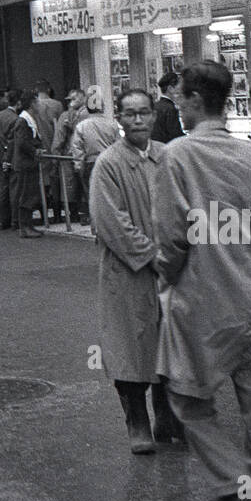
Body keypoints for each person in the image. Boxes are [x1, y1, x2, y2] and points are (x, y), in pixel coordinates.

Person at [155, 61, 251, 501]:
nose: (176, 105)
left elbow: (173, 237)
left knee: (189, 400)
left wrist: (167, 276)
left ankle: (234, 485)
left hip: (203, 301)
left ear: (196, 100)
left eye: (180, 98)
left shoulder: (178, 155)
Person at [89, 88, 184, 454]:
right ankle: (137, 421)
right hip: (128, 272)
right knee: (129, 346)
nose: (138, 120)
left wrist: (179, 250)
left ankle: (167, 416)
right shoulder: (109, 163)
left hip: (170, 269)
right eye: (130, 114)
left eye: (144, 112)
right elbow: (109, 220)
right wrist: (150, 254)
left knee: (168, 344)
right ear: (120, 120)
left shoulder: (167, 156)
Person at [71, 96, 121, 208]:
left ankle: (95, 222)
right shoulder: (112, 124)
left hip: (90, 163)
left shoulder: (81, 126)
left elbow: (77, 147)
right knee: (110, 195)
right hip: (110, 163)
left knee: (92, 196)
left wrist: (78, 165)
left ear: (88, 108)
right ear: (102, 107)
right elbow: (119, 145)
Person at [8, 92, 43, 238]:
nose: (39, 105)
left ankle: (28, 225)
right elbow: (22, 143)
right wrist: (35, 151)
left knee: (30, 194)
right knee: (26, 194)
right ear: (32, 104)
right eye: (37, 102)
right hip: (25, 164)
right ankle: (25, 226)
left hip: (28, 163)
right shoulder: (23, 121)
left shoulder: (27, 120)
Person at [52, 88, 89, 224]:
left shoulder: (65, 116)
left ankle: (73, 214)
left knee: (70, 185)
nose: (70, 103)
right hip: (86, 154)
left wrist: (55, 155)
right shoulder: (90, 115)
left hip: (69, 154)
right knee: (84, 184)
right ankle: (85, 213)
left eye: (72, 99)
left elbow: (59, 138)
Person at [33, 81, 64, 222]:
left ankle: (43, 211)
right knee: (55, 180)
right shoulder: (57, 105)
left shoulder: (33, 106)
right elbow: (60, 126)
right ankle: (57, 212)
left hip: (40, 147)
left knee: (41, 181)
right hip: (53, 145)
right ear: (49, 89)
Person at [0, 90, 19, 229]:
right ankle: (14, 218)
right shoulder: (15, 119)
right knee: (13, 189)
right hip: (11, 157)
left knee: (2, 189)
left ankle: (2, 219)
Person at [151, 72, 185, 144]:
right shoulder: (171, 109)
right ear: (170, 89)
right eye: (179, 88)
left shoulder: (155, 106)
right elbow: (175, 135)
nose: (181, 92)